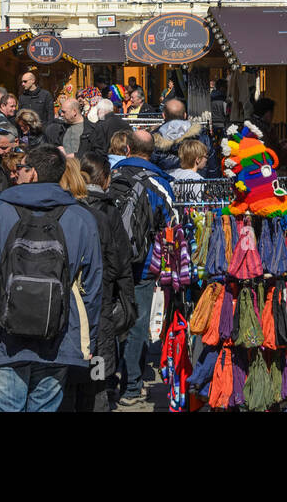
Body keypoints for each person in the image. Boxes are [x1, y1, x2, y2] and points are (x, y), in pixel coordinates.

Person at [0, 145, 102, 413]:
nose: (16, 173)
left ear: (32, 174)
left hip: (3, 337)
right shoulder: (81, 217)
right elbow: (93, 287)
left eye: (21, 168)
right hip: (60, 336)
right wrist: (88, 338)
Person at [109, 129, 174, 405]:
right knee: (136, 323)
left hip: (110, 260)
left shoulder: (109, 175)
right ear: (153, 152)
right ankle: (132, 387)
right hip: (144, 264)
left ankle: (106, 379)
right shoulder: (159, 182)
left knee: (109, 319)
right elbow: (171, 225)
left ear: (127, 149)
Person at [72, 150, 135, 411]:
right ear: (105, 179)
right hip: (101, 301)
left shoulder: (68, 208)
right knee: (98, 370)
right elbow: (121, 262)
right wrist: (128, 302)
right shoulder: (108, 211)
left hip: (74, 302)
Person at [150, 97, 211, 173]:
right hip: (198, 182)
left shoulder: (153, 138)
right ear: (185, 115)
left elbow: (150, 167)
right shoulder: (201, 135)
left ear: (163, 115)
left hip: (164, 182)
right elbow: (212, 166)